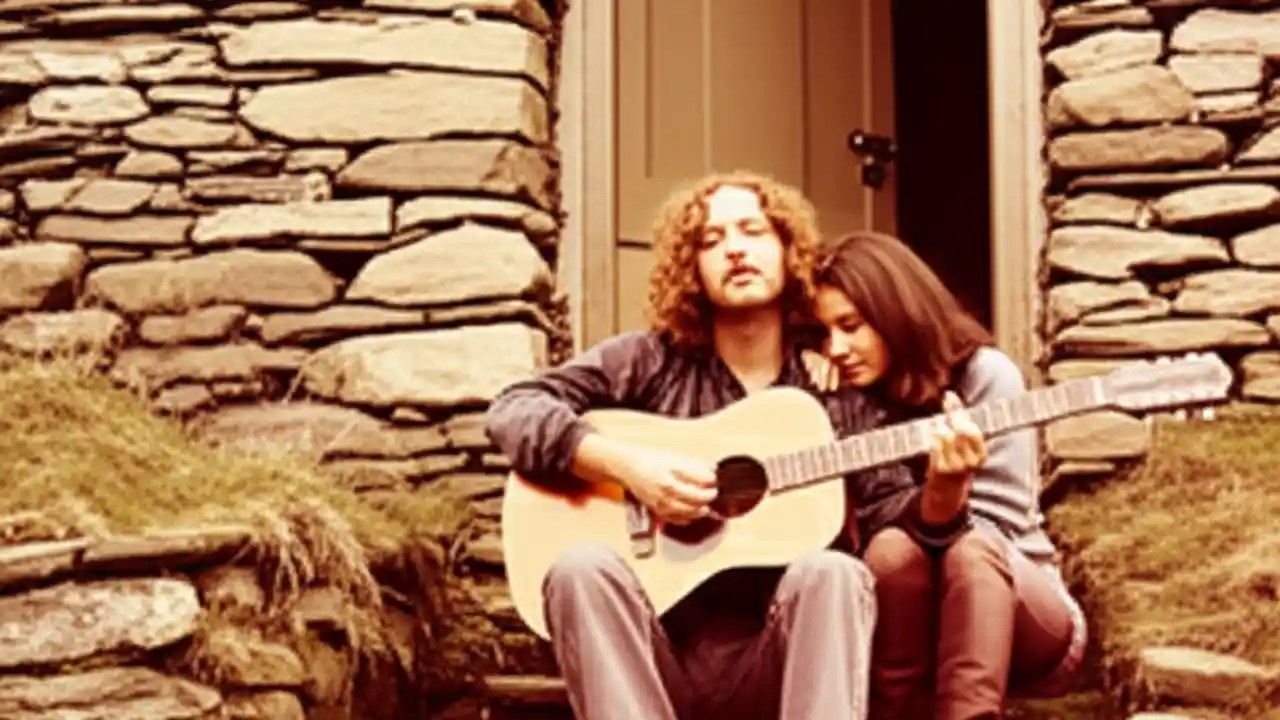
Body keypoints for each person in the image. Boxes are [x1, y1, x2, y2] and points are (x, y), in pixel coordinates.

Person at [484, 171, 987, 720]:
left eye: (752, 231)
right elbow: (514, 409)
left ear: (789, 252)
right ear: (691, 268)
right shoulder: (651, 362)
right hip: (649, 658)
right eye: (711, 240)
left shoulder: (830, 387)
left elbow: (895, 517)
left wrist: (946, 488)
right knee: (579, 566)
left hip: (779, 663)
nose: (735, 250)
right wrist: (627, 467)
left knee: (834, 572)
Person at [803, 230, 1089, 720]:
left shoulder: (985, 375)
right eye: (823, 333)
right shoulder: (839, 392)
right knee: (891, 551)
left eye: (851, 325)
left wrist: (947, 493)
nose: (837, 348)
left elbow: (997, 531)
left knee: (971, 547)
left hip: (1014, 609)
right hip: (906, 617)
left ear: (895, 310)